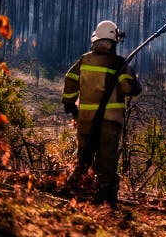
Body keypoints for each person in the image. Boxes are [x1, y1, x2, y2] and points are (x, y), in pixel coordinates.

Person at [62, 20, 141, 205]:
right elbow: (128, 88)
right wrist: (137, 85)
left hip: (86, 120)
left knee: (84, 155)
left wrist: (70, 103)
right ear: (113, 41)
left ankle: (76, 190)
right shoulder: (118, 63)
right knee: (106, 160)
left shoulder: (84, 60)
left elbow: (70, 78)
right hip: (110, 122)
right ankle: (104, 200)